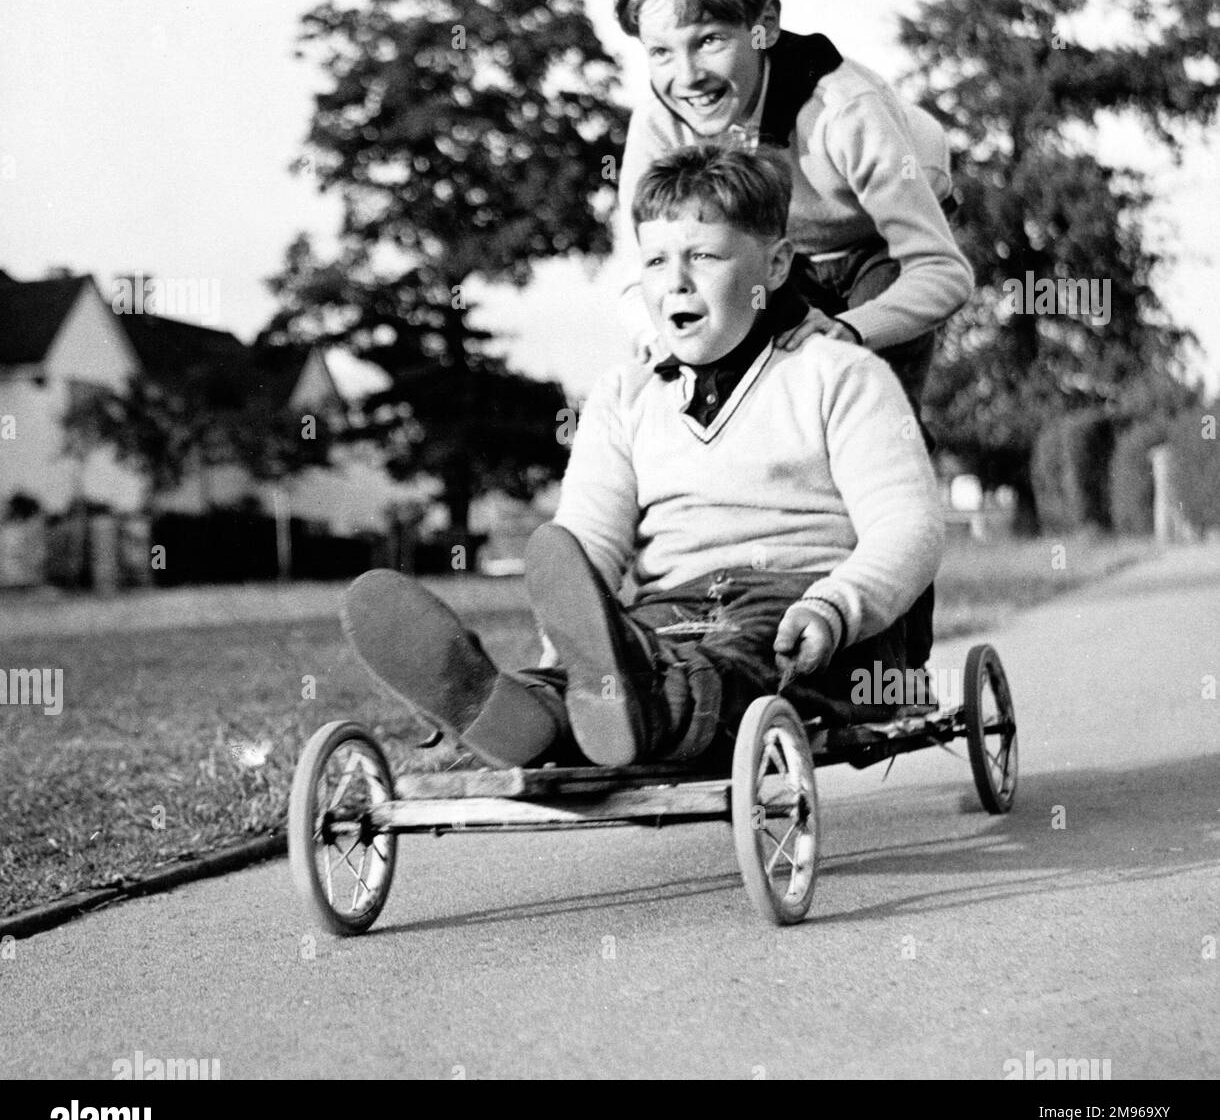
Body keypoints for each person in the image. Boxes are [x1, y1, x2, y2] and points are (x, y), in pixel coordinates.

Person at [341, 145, 944, 771]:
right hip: (672, 614)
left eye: (704, 256)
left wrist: (837, 604)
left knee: (728, 667)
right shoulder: (626, 395)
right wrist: (566, 643)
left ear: (777, 264)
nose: (675, 280)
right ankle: (521, 710)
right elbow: (584, 550)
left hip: (809, 612)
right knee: (634, 659)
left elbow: (908, 528)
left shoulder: (839, 374)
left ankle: (628, 705)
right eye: (656, 260)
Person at [609, 0, 972, 666]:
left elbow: (944, 273)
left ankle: (890, 656)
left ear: (765, 25)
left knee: (879, 420)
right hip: (777, 249)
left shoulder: (846, 111)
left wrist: (851, 333)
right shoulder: (662, 120)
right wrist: (656, 343)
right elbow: (638, 268)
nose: (687, 75)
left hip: (880, 238)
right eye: (661, 52)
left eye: (710, 40)